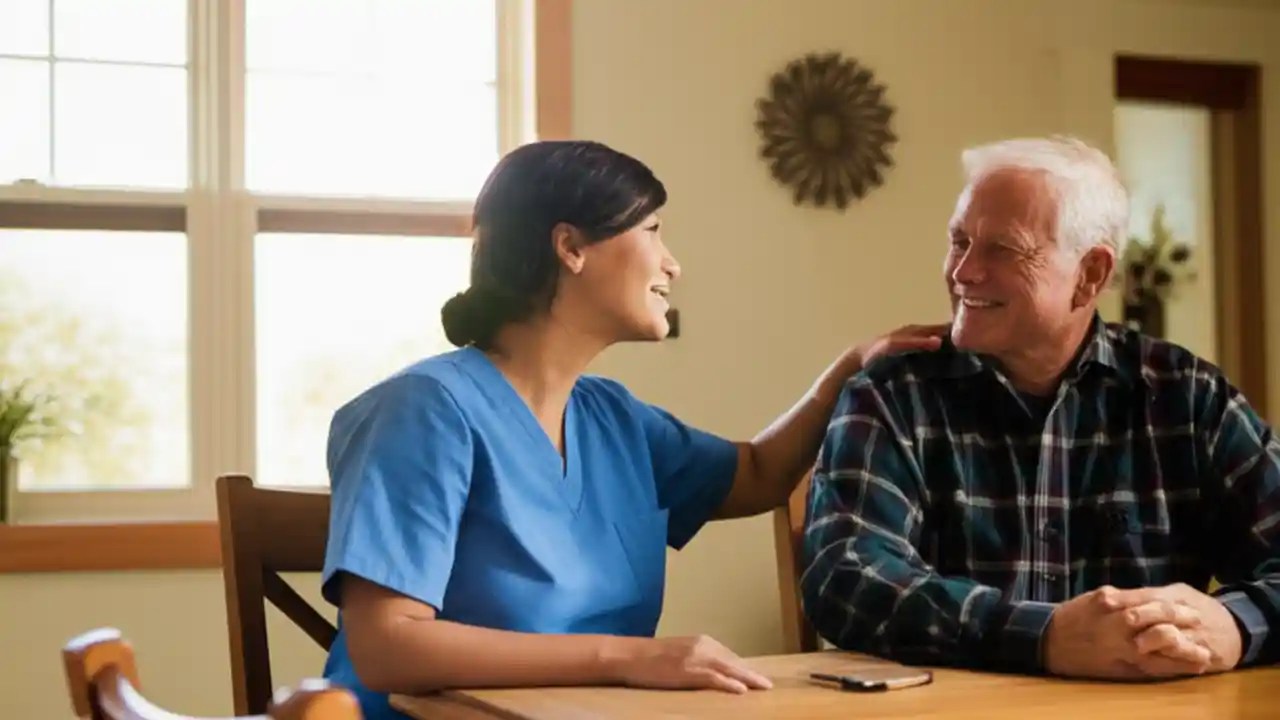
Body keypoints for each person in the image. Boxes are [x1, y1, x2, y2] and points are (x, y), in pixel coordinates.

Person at [319, 139, 944, 719]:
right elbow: (386, 647)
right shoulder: (423, 410)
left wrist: (846, 372)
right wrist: (630, 658)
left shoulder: (613, 419)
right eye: (652, 231)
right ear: (570, 247)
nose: (671, 263)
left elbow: (757, 475)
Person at [801, 136, 1280, 680]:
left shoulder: (1187, 397)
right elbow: (845, 579)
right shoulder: (890, 394)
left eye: (1002, 249)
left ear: (1091, 273)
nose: (964, 272)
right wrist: (1044, 637)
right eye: (959, 241)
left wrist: (1235, 625)